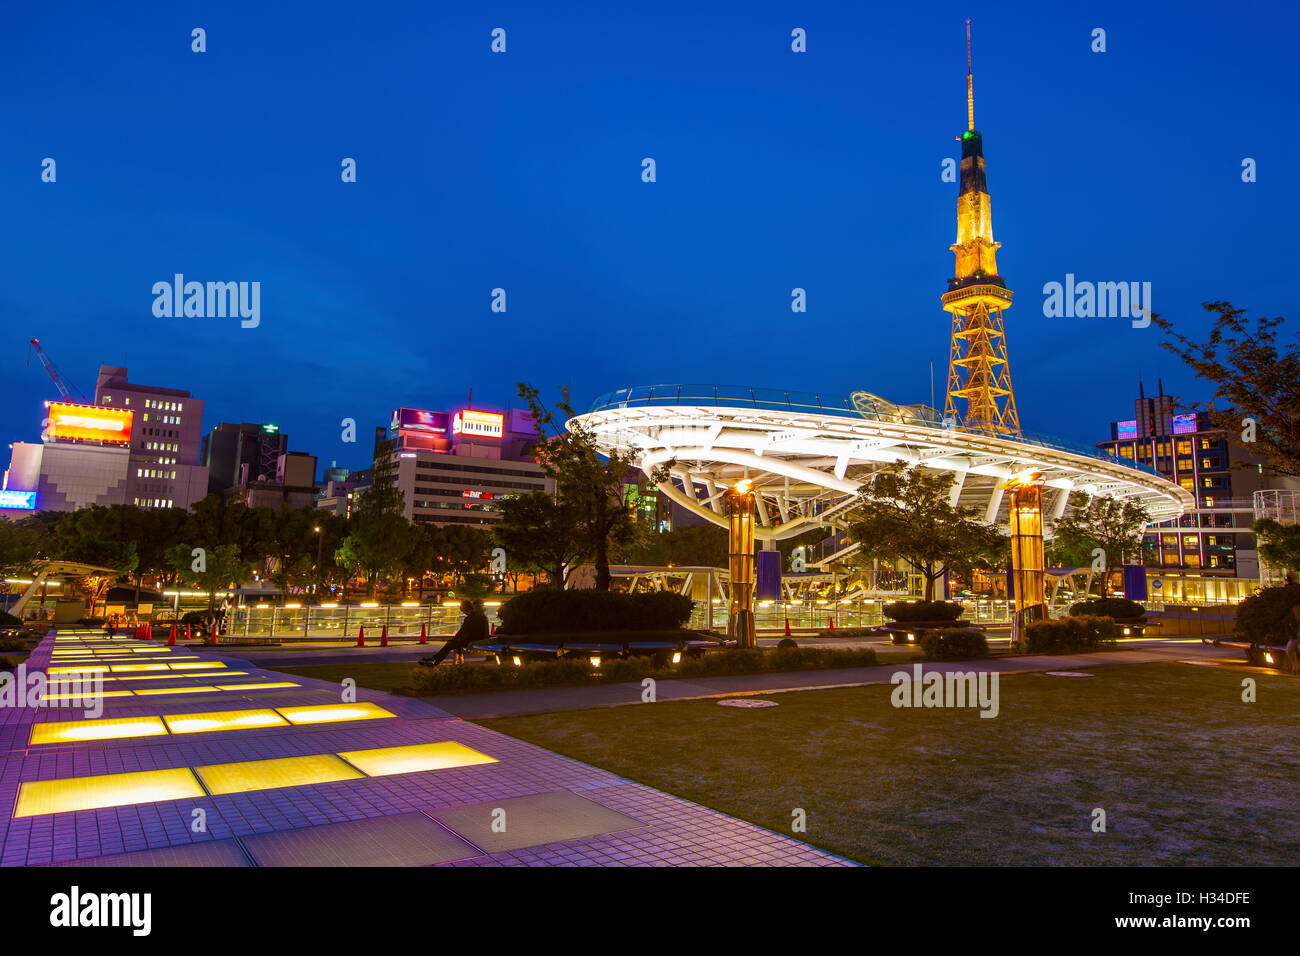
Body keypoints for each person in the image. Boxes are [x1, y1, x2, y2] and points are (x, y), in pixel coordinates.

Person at [422, 600, 489, 666]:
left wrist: (454, 639)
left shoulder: (471, 618)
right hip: (480, 639)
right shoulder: (483, 616)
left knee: (449, 644)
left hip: (473, 641)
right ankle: (434, 660)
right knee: (452, 644)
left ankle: (434, 660)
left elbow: (462, 631)